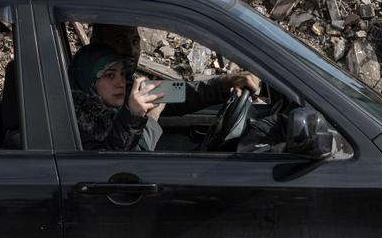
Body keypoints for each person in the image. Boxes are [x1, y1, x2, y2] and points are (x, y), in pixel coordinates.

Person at [88, 23, 261, 118]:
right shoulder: (88, 104)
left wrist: (226, 82)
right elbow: (121, 166)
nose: (131, 50)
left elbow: (181, 93)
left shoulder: (128, 84)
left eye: (135, 42)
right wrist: (151, 120)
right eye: (119, 42)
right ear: (96, 43)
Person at [68, 44, 163, 152]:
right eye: (110, 75)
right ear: (88, 81)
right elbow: (115, 161)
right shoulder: (78, 123)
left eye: (122, 74)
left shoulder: (108, 109)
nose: (121, 83)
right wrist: (136, 115)